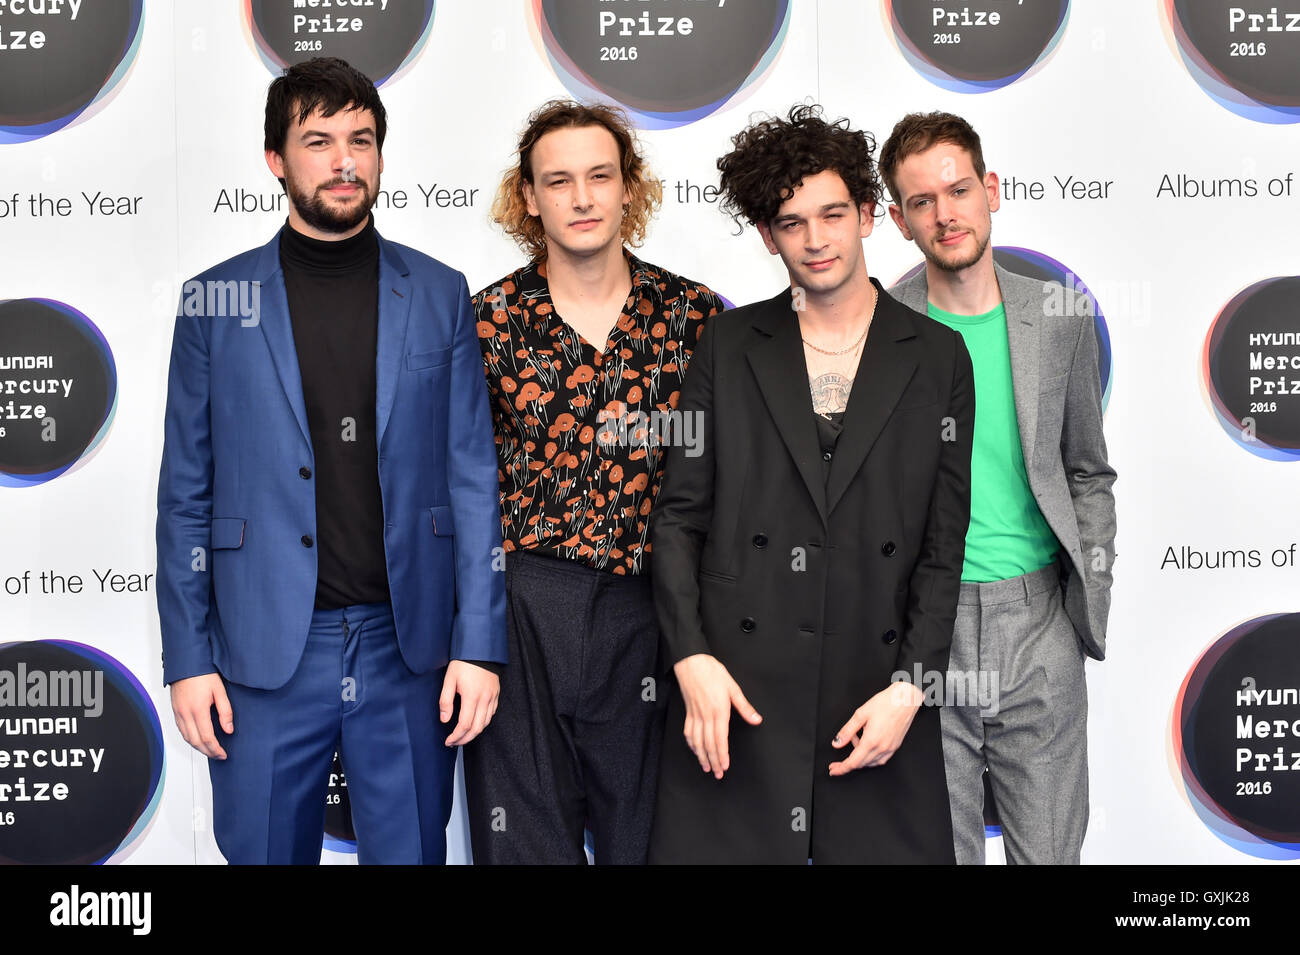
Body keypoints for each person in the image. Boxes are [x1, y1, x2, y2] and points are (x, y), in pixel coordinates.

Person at [156, 57, 505, 865]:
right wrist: (188, 659)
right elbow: (185, 494)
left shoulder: (441, 292)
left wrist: (479, 643)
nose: (345, 160)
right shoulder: (216, 299)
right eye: (319, 141)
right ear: (276, 160)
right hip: (262, 651)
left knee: (412, 852)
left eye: (362, 139)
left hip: (407, 645)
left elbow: (472, 473)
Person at [648, 104, 974, 863]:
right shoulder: (728, 344)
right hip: (738, 693)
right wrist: (692, 659)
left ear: (868, 214)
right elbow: (678, 518)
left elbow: (940, 542)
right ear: (768, 236)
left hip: (875, 694)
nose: (816, 238)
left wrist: (910, 690)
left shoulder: (937, 356)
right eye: (792, 223)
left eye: (833, 213)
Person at [463, 100, 724, 864]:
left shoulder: (694, 316)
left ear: (628, 189)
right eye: (559, 180)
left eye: (600, 176)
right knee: (523, 846)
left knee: (649, 843)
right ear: (529, 196)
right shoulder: (485, 321)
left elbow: (727, 480)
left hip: (652, 611)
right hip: (520, 612)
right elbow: (457, 486)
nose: (581, 198)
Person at [881, 111, 1117, 865]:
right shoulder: (881, 327)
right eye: (922, 201)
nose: (945, 213)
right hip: (928, 631)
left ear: (991, 190)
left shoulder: (1058, 318)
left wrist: (1090, 598)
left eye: (958, 190)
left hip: (1038, 620)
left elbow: (1088, 467)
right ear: (898, 219)